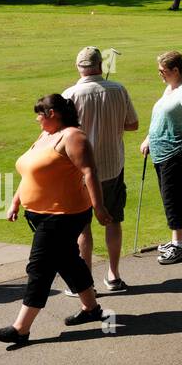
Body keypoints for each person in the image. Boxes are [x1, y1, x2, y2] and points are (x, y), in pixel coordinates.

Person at [0, 95, 110, 346]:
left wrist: (99, 208)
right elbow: (30, 172)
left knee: (39, 268)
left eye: (40, 114)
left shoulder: (73, 136)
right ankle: (92, 309)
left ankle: (20, 329)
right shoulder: (45, 136)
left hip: (64, 216)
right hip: (40, 214)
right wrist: (15, 202)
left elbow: (89, 172)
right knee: (67, 261)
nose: (37, 119)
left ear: (53, 113)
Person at [62, 47, 138, 294]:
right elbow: (133, 124)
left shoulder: (70, 94)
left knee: (83, 227)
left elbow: (61, 135)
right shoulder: (118, 89)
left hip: (80, 172)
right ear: (100, 66)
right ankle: (114, 276)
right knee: (113, 221)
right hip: (113, 166)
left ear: (78, 67)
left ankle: (86, 284)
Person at [140, 51, 182, 265]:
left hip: (177, 152)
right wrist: (149, 138)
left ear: (176, 70)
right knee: (176, 196)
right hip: (163, 151)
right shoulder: (171, 88)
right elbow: (163, 116)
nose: (159, 74)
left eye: (163, 71)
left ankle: (177, 245)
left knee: (173, 197)